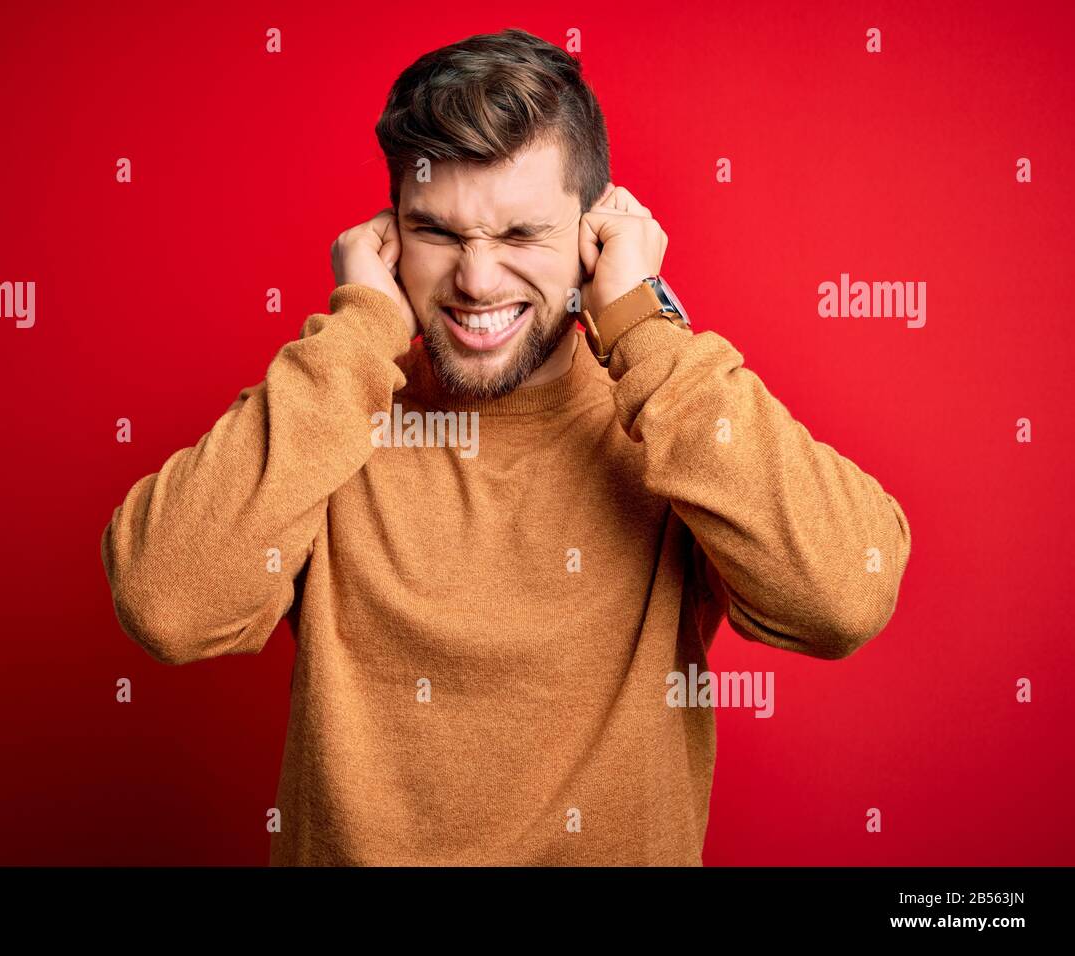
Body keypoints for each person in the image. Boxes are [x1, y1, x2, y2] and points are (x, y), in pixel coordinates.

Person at [100, 27, 912, 865]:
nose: (478, 280)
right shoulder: (333, 407)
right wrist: (358, 334)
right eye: (438, 232)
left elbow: (842, 598)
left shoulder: (670, 419)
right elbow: (166, 604)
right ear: (389, 235)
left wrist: (645, 326)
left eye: (522, 235)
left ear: (594, 238)